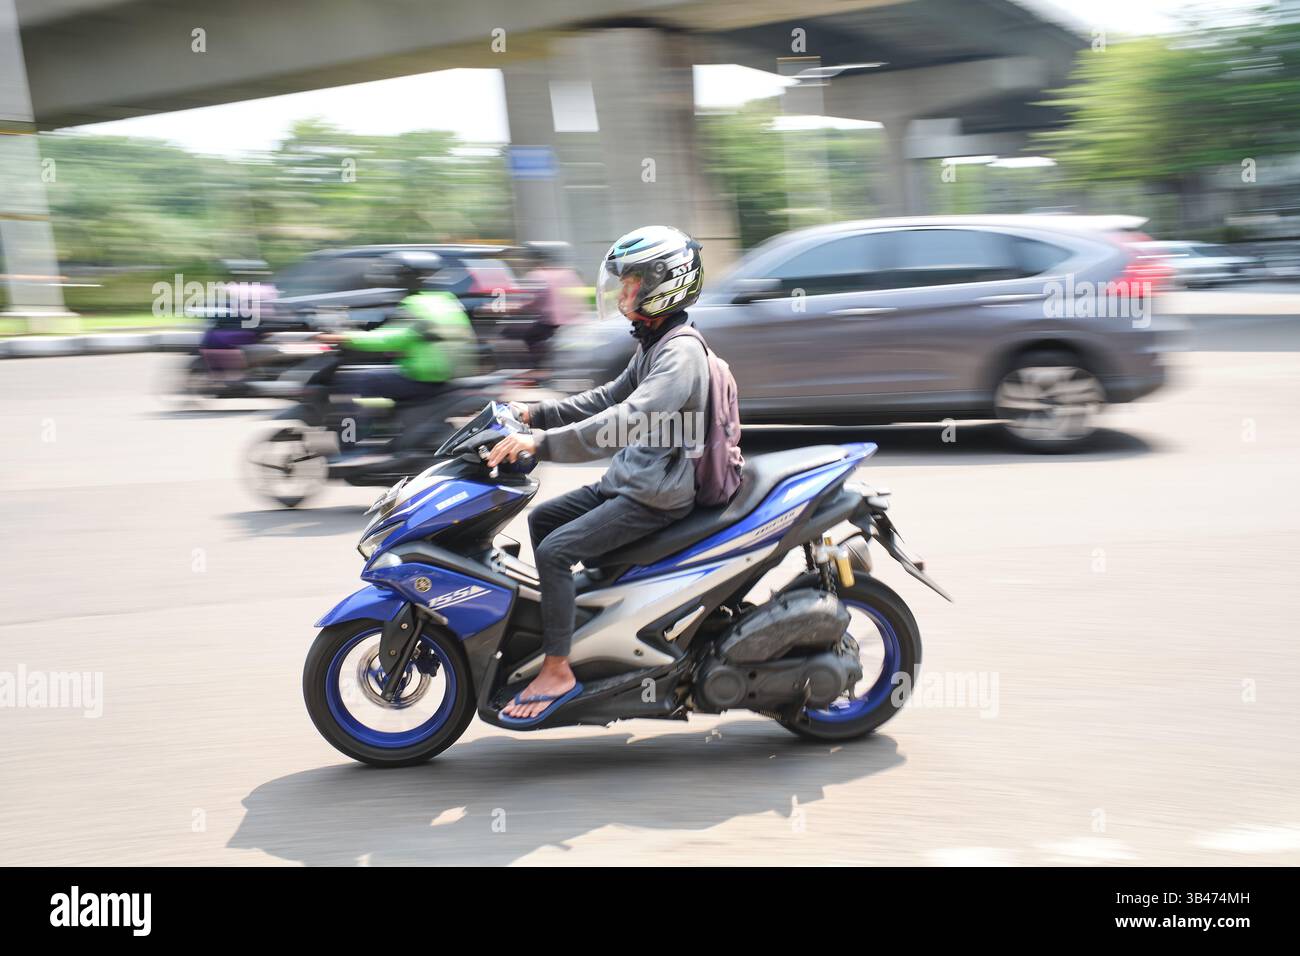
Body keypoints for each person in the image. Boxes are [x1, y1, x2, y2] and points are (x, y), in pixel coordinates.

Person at [486, 225, 709, 722]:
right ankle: (589, 626)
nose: (623, 293)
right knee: (544, 519)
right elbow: (608, 397)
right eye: (623, 282)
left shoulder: (680, 353)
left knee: (556, 550)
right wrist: (534, 413)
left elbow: (623, 421)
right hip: (634, 478)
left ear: (663, 285)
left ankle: (560, 669)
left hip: (656, 493)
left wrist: (542, 444)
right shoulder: (655, 343)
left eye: (632, 283)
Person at [317, 251, 477, 453]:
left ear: (409, 277)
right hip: (444, 374)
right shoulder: (444, 300)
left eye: (397, 276)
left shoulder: (417, 304)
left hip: (422, 376)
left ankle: (349, 448)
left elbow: (394, 337)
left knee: (350, 380)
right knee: (376, 376)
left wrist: (347, 337)